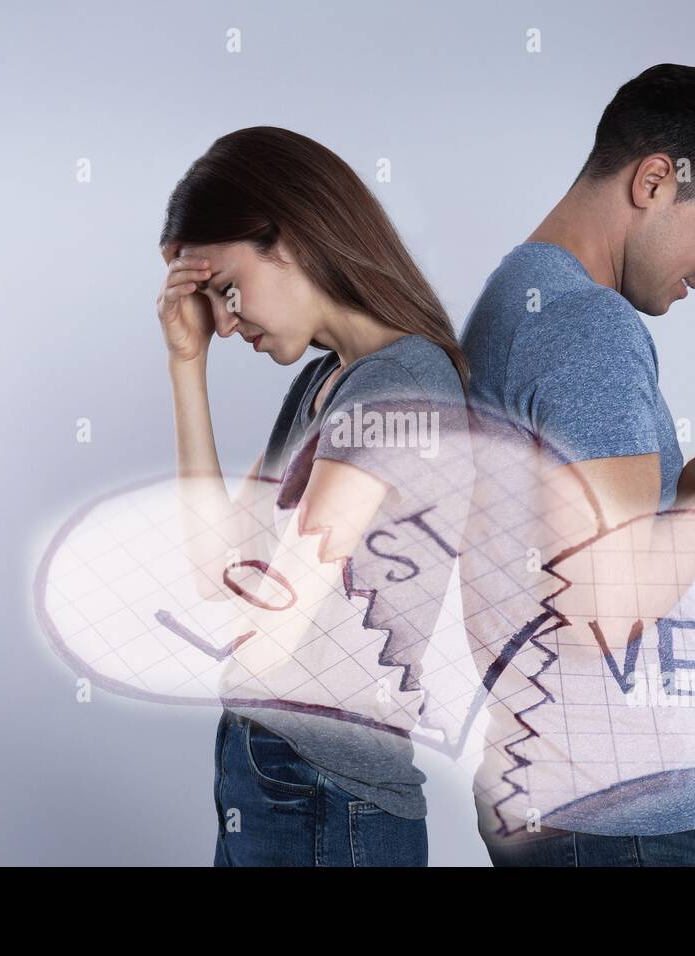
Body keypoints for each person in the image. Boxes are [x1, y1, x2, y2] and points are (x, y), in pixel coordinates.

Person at [457, 64, 695, 866]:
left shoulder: (518, 292)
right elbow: (604, 609)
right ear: (655, 181)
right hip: (617, 815)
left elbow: (566, 557)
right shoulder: (589, 327)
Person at [156, 126, 472, 866]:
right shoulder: (328, 382)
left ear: (290, 239)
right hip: (270, 770)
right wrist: (185, 366)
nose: (226, 323)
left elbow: (269, 636)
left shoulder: (402, 386)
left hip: (327, 795)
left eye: (226, 288)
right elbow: (214, 574)